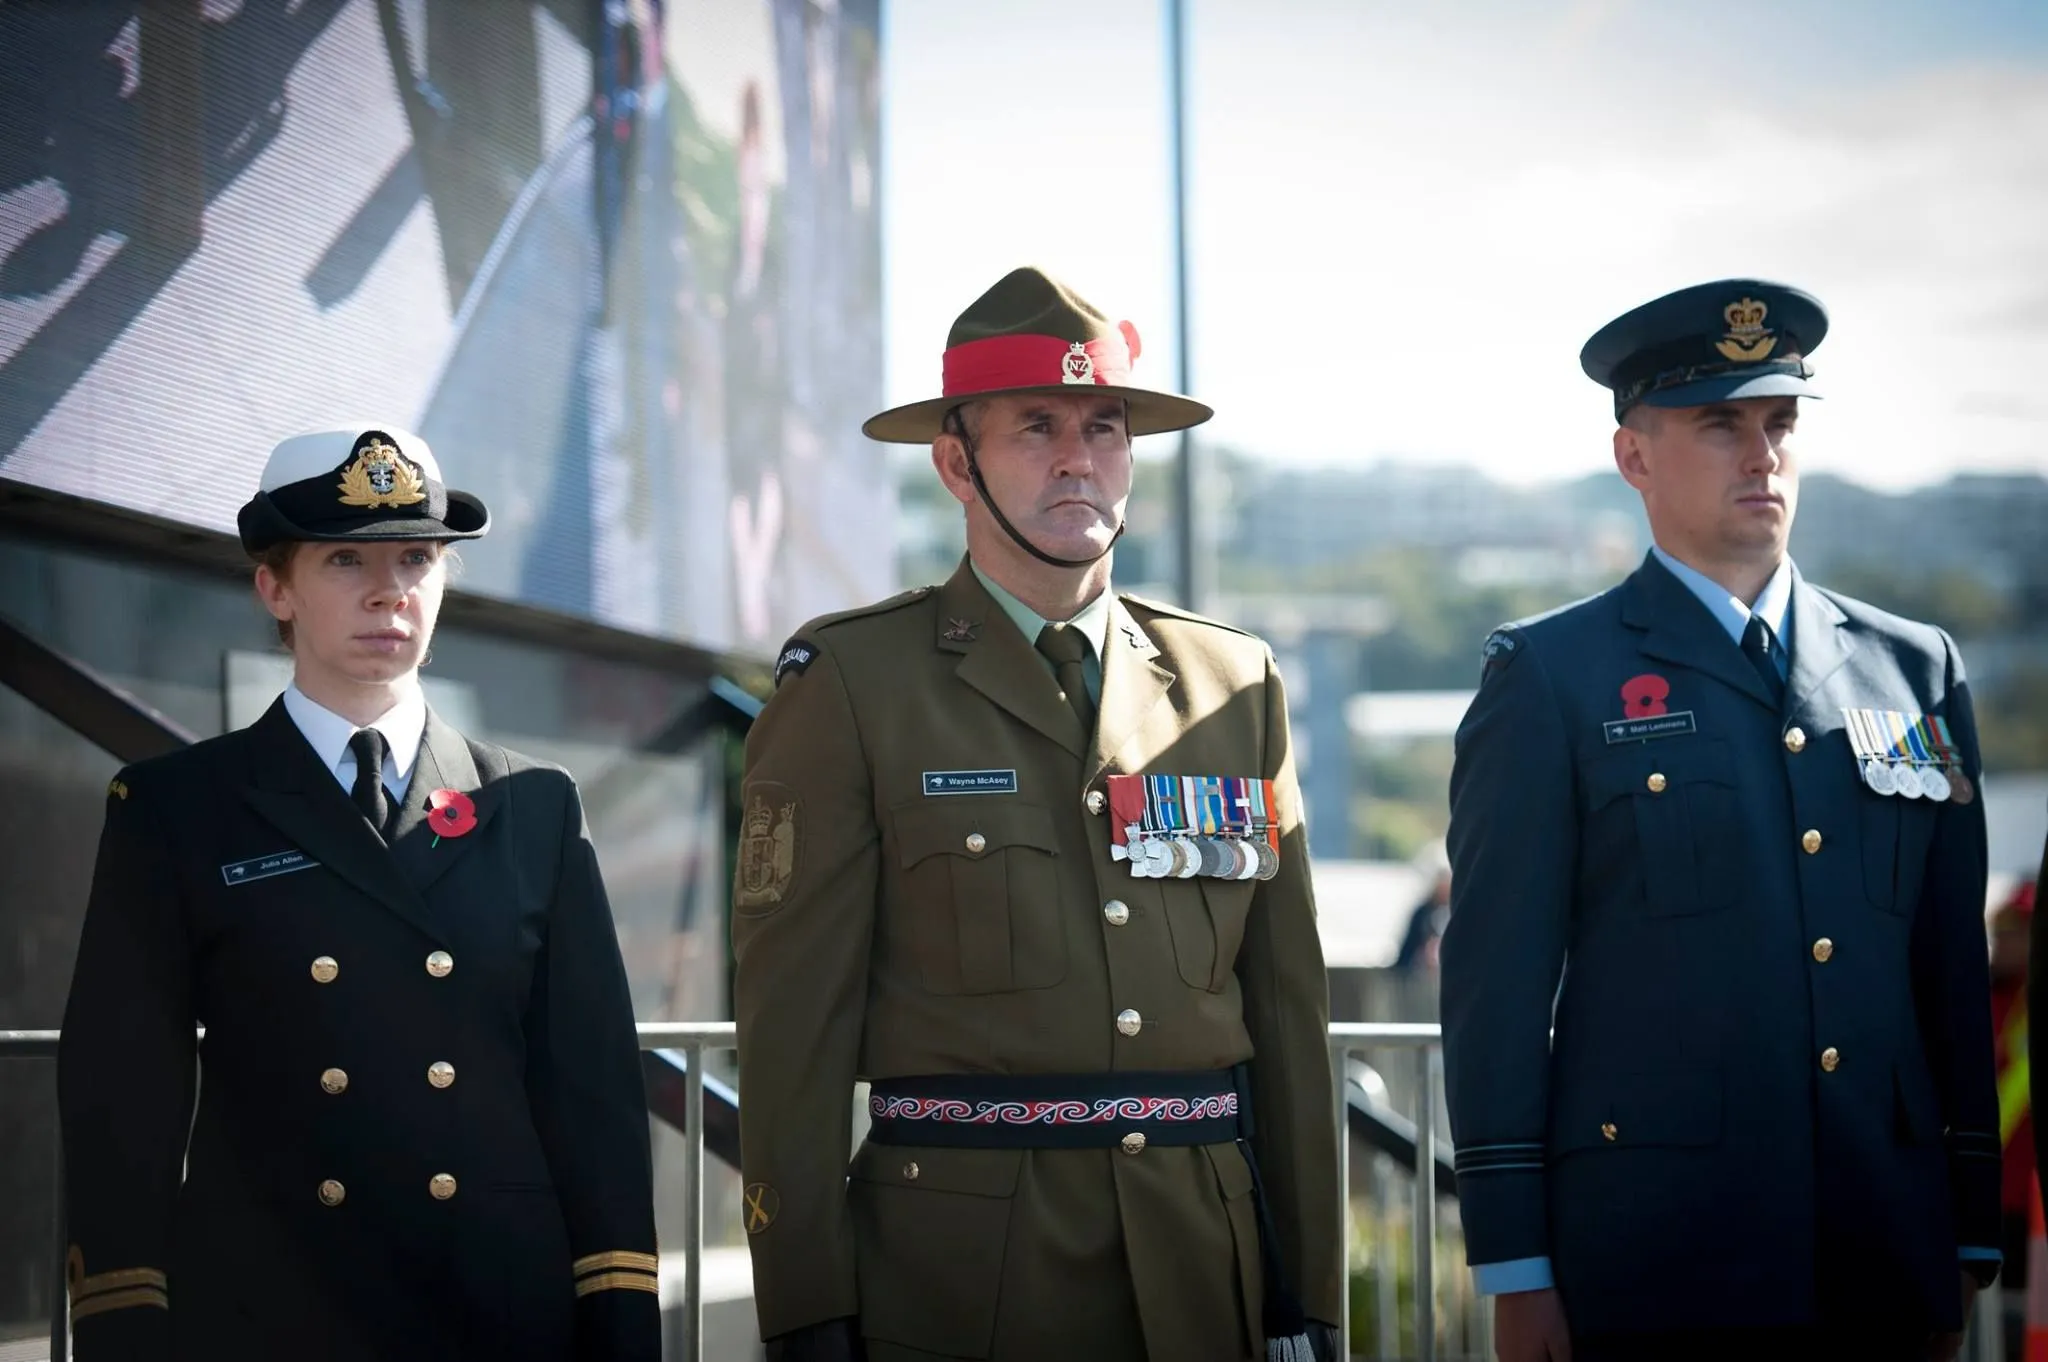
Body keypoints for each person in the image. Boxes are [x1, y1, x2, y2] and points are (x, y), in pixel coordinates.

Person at [731, 266, 1342, 1362]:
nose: (1078, 458)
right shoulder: (853, 684)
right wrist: (807, 1307)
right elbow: (793, 1031)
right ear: (954, 463)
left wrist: (1309, 1293)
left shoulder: (1230, 683)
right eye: (1036, 428)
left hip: (1205, 1257)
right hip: (960, 1270)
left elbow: (1289, 1014)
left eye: (1104, 428)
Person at [1440, 280, 2001, 1362]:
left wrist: (1966, 1226)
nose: (1761, 455)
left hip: (1883, 1254)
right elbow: (1495, 991)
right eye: (1719, 424)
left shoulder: (1911, 666)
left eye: (1778, 422)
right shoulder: (1550, 678)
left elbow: (1947, 972)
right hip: (1656, 1263)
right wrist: (1516, 1266)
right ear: (1634, 458)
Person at [58, 427, 661, 1361]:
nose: (391, 589)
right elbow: (122, 1094)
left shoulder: (532, 807)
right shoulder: (175, 811)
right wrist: (123, 1313)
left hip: (497, 1305)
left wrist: (620, 1311)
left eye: (417, 557)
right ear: (275, 587)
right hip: (272, 1309)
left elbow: (593, 1097)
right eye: (345, 558)